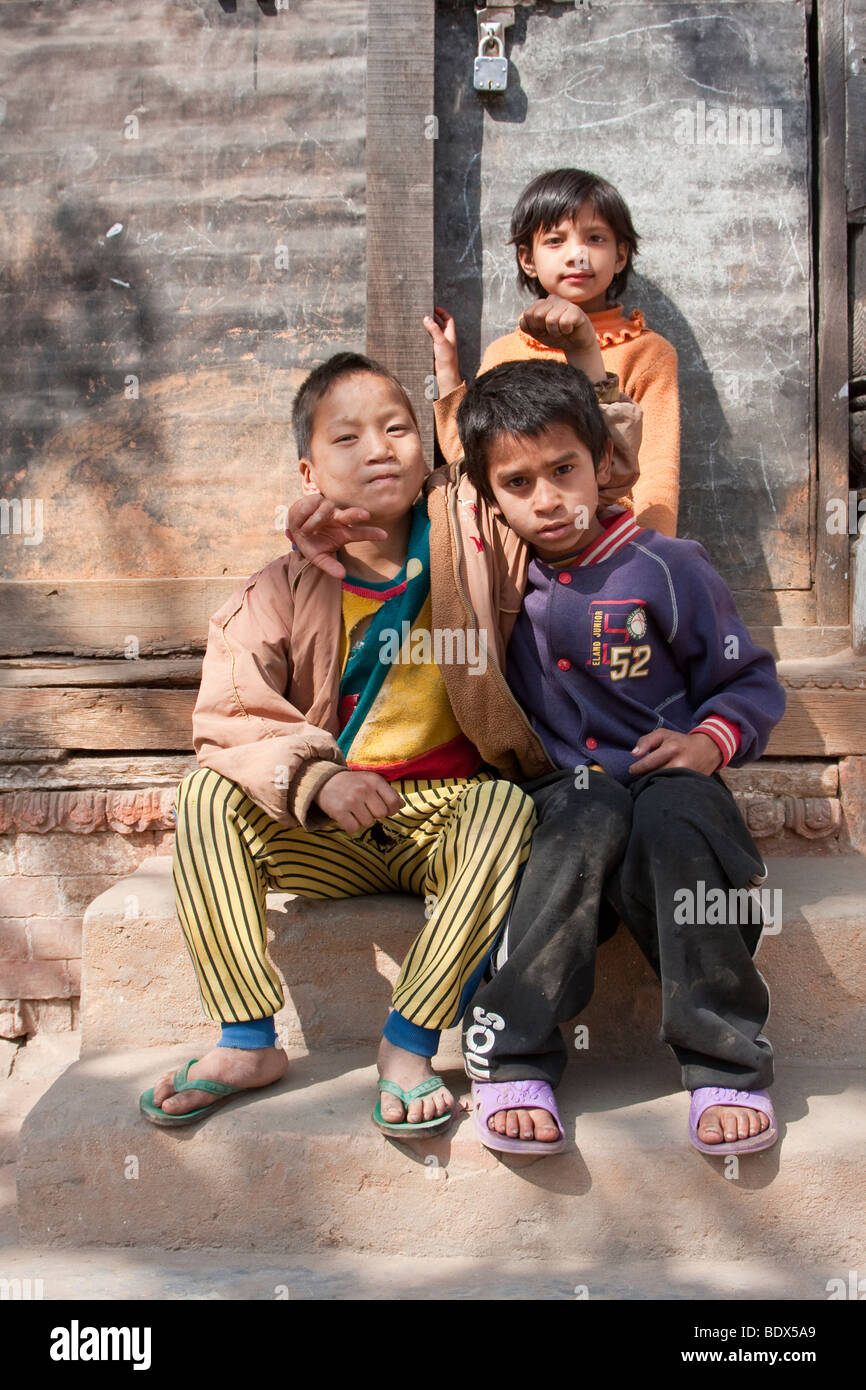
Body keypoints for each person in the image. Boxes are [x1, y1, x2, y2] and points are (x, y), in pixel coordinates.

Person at [139, 348, 641, 1144]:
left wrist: (586, 366)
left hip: (438, 823)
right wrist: (315, 778)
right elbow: (228, 713)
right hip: (327, 830)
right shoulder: (280, 586)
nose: (378, 448)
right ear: (308, 474)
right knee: (203, 795)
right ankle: (245, 1041)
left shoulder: (476, 540)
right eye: (348, 439)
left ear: (428, 449)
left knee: (505, 810)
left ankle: (410, 1043)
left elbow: (592, 468)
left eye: (398, 428)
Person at [455, 358, 785, 1156]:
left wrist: (708, 743)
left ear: (603, 461)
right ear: (490, 499)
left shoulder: (669, 566)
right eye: (519, 483)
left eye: (563, 469)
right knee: (584, 809)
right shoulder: (502, 579)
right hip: (571, 804)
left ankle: (725, 1062)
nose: (547, 499)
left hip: (671, 785)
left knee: (678, 828)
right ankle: (513, 1051)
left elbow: (746, 680)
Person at [426, 167, 680, 537]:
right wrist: (448, 374)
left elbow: (658, 472)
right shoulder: (506, 352)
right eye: (556, 240)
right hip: (524, 556)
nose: (577, 255)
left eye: (595, 238)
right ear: (528, 259)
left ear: (621, 255)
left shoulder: (647, 354)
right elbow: (474, 459)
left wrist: (657, 560)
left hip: (613, 550)